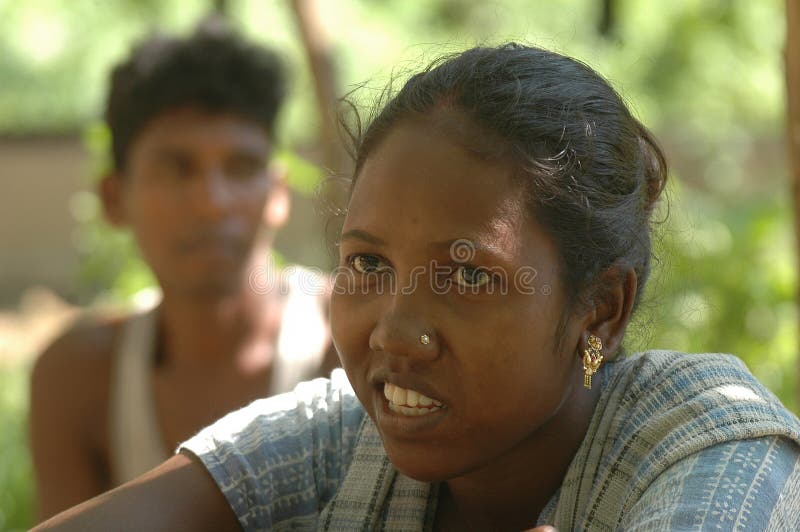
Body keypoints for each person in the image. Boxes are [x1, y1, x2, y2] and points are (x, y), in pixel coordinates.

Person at [33, 43, 800, 531]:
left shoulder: (707, 446)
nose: (395, 332)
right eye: (368, 264)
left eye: (468, 275)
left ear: (598, 310)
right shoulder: (342, 435)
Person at [29, 21, 338, 521]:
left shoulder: (353, 341)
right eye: (176, 168)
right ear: (114, 197)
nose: (213, 202)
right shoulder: (80, 380)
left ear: (277, 193)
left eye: (240, 167)